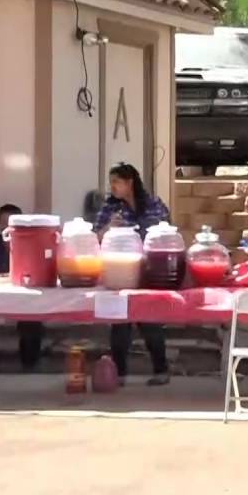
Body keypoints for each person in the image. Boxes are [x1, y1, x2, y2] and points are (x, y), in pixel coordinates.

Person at [94, 162, 171, 385]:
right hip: (121, 272)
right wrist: (109, 227)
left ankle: (161, 370)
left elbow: (168, 230)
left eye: (116, 182)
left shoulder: (154, 205)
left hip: (149, 271)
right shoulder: (110, 209)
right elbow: (95, 238)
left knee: (150, 321)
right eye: (111, 183)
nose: (113, 187)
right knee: (120, 323)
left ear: (130, 183)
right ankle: (118, 374)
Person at [0, 203, 45, 372]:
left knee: (32, 316)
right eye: (3, 222)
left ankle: (29, 361)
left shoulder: (32, 243)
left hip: (22, 291)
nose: (7, 227)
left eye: (12, 223)